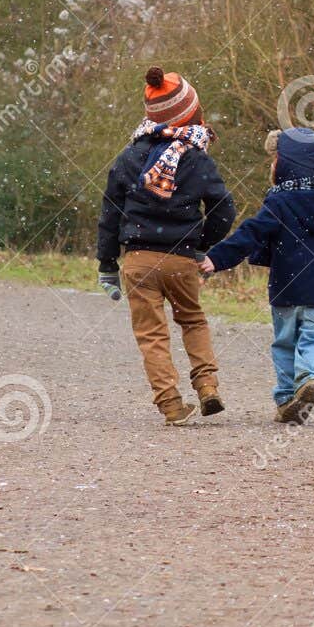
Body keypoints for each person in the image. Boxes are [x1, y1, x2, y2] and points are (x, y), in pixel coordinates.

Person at [97, 67, 236, 425]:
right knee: (192, 320)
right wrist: (203, 243)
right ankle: (207, 386)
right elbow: (224, 209)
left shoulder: (129, 157)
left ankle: (171, 403)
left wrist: (107, 264)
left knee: (152, 335)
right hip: (182, 258)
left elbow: (109, 214)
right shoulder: (197, 158)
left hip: (139, 260)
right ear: (191, 111)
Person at [200, 127, 314, 423]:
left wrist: (216, 259)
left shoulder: (280, 203)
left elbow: (251, 234)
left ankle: (286, 398)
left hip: (288, 288)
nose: (272, 166)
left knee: (285, 342)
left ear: (287, 167)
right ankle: (310, 378)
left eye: (276, 160)